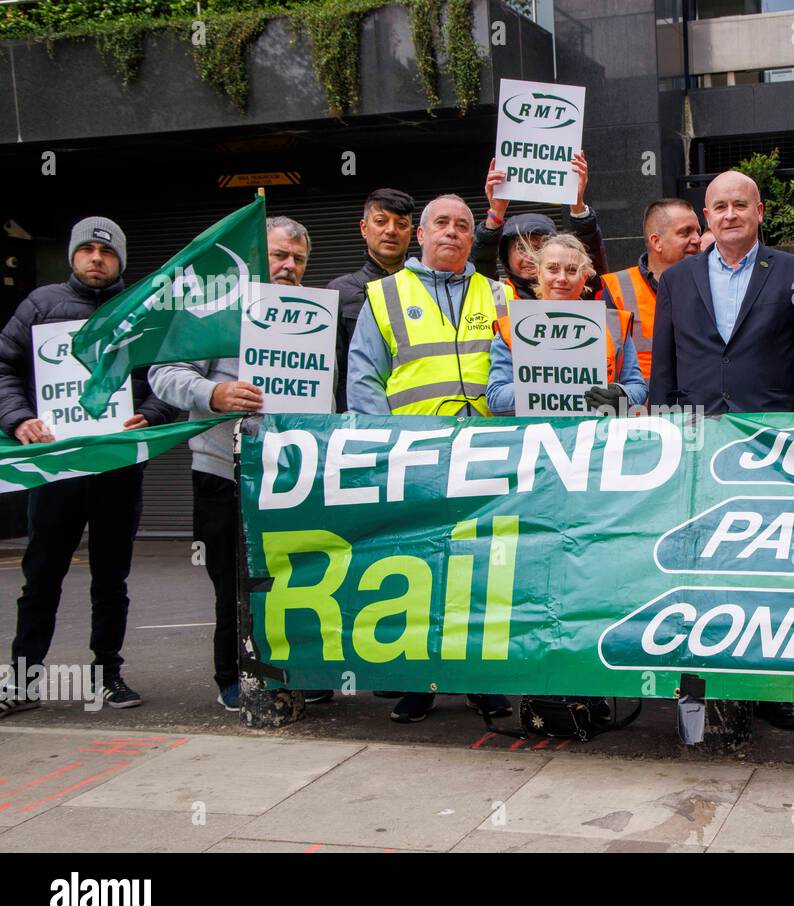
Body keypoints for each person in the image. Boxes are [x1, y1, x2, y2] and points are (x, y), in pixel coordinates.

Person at [651, 169, 794, 731]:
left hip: (769, 447)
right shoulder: (677, 280)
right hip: (697, 448)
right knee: (699, 570)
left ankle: (771, 688)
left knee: (771, 569)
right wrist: (666, 434)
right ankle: (695, 687)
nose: (729, 215)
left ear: (759, 211)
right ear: (706, 217)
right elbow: (665, 369)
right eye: (718, 207)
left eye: (739, 205)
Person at [150, 217, 332, 713]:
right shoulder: (212, 311)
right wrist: (213, 392)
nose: (288, 266)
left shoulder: (313, 315)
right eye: (278, 255)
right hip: (221, 474)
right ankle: (234, 676)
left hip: (292, 478)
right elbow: (163, 373)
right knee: (231, 582)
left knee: (295, 581)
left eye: (297, 258)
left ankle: (295, 673)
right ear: (256, 256)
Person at [346, 194, 513, 724]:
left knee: (484, 574)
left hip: (487, 456)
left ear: (472, 237)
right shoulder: (385, 294)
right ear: (421, 234)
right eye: (441, 223)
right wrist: (382, 449)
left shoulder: (501, 294)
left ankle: (482, 682)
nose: (453, 232)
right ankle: (421, 682)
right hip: (415, 457)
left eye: (464, 225)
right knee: (423, 573)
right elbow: (364, 379)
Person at [0, 217, 176, 717]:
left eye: (107, 250)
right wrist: (19, 418)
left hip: (118, 465)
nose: (96, 258)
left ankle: (108, 675)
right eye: (87, 249)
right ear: (72, 256)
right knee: (41, 575)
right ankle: (23, 679)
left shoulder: (143, 309)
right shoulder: (39, 305)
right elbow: (4, 366)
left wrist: (153, 413)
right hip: (56, 466)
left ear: (120, 258)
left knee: (110, 578)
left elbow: (165, 374)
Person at [487, 233, 647, 416]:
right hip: (537, 437)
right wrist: (552, 389)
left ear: (585, 277)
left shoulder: (614, 324)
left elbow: (638, 387)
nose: (562, 278)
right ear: (538, 272)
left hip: (598, 438)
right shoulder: (510, 328)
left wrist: (621, 395)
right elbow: (496, 397)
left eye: (572, 270)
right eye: (553, 269)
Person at [473, 153, 608, 299]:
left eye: (538, 248)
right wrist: (496, 213)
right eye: (521, 248)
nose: (530, 256)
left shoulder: (579, 292)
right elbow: (482, 265)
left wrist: (578, 206)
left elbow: (592, 264)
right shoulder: (498, 297)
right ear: (506, 255)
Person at [328, 188, 415, 411]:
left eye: (401, 224)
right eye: (381, 221)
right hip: (358, 419)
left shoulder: (425, 287)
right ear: (364, 228)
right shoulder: (339, 292)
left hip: (415, 418)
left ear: (413, 232)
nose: (391, 230)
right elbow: (331, 373)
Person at [599, 199, 702, 380]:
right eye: (685, 232)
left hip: (700, 404)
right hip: (640, 405)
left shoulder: (710, 285)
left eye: (698, 232)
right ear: (656, 242)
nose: (697, 240)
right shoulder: (617, 289)